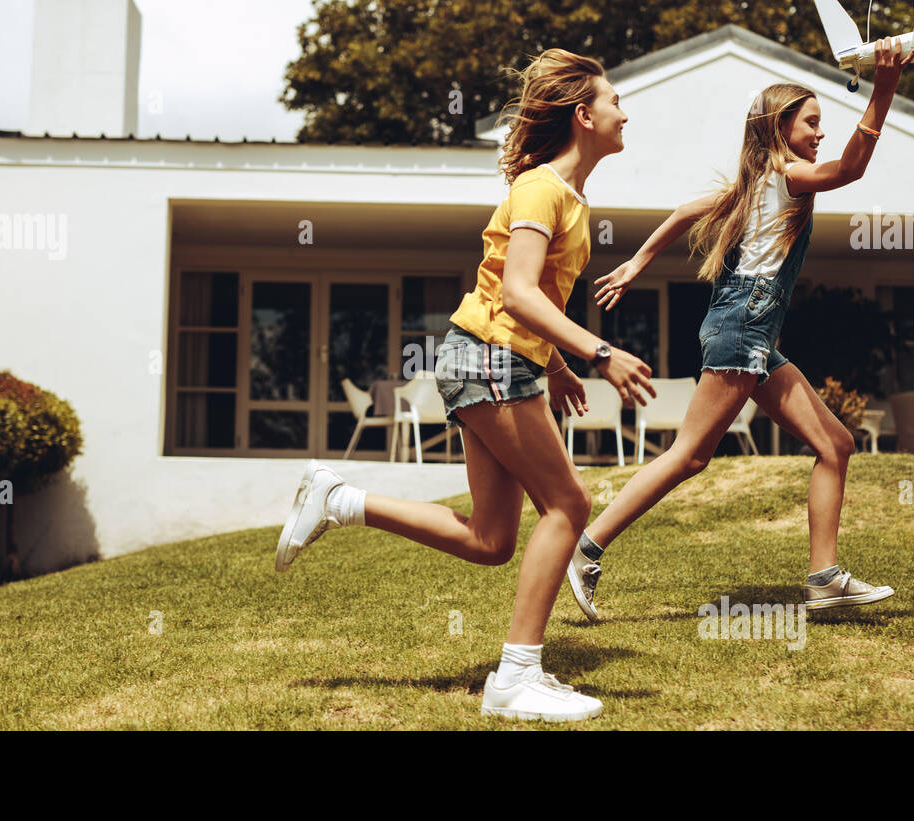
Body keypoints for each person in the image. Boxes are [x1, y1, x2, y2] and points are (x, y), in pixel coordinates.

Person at [274, 48, 654, 721]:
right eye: (614, 100)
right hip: (487, 358)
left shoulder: (568, 196)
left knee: (491, 539)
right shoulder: (541, 188)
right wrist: (598, 353)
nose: (625, 112)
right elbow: (516, 291)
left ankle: (342, 498)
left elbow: (537, 292)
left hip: (492, 358)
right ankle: (515, 677)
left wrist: (558, 365)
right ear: (583, 114)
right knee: (568, 502)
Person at [565, 38, 914, 622]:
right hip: (741, 328)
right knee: (688, 455)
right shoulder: (783, 175)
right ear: (781, 129)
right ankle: (586, 548)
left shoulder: (756, 182)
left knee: (835, 444)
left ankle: (825, 579)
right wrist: (883, 90)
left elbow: (682, 213)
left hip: (753, 335)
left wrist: (636, 263)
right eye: (811, 123)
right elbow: (849, 169)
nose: (819, 134)